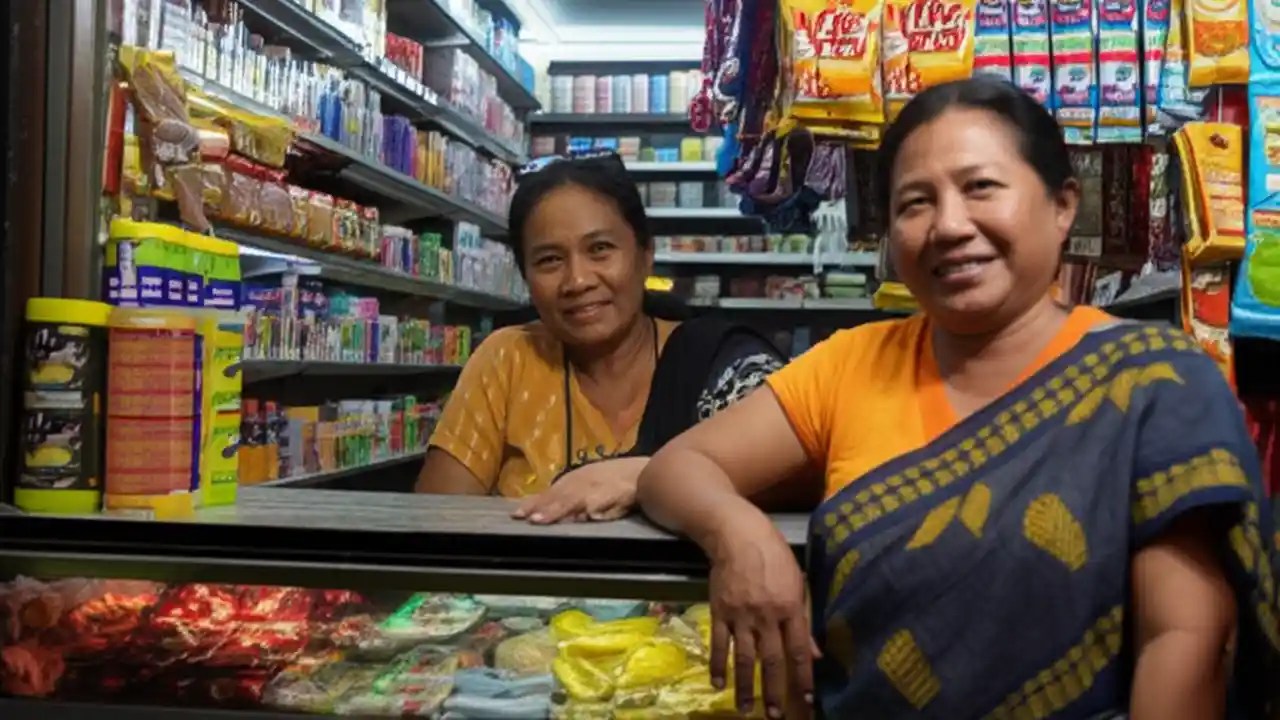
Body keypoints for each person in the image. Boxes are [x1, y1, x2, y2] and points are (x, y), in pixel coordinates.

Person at [637, 78, 1280, 720]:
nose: (948, 225)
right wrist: (740, 538)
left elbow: (1187, 642)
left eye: (981, 188)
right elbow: (677, 469)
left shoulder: (1154, 382)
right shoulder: (852, 363)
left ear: (1063, 207)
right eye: (915, 203)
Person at [417, 152, 784, 523]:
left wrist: (649, 477)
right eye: (549, 260)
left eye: (600, 250)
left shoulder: (717, 365)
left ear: (646, 254)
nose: (578, 281)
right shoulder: (507, 360)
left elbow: (799, 467)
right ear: (525, 277)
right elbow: (434, 525)